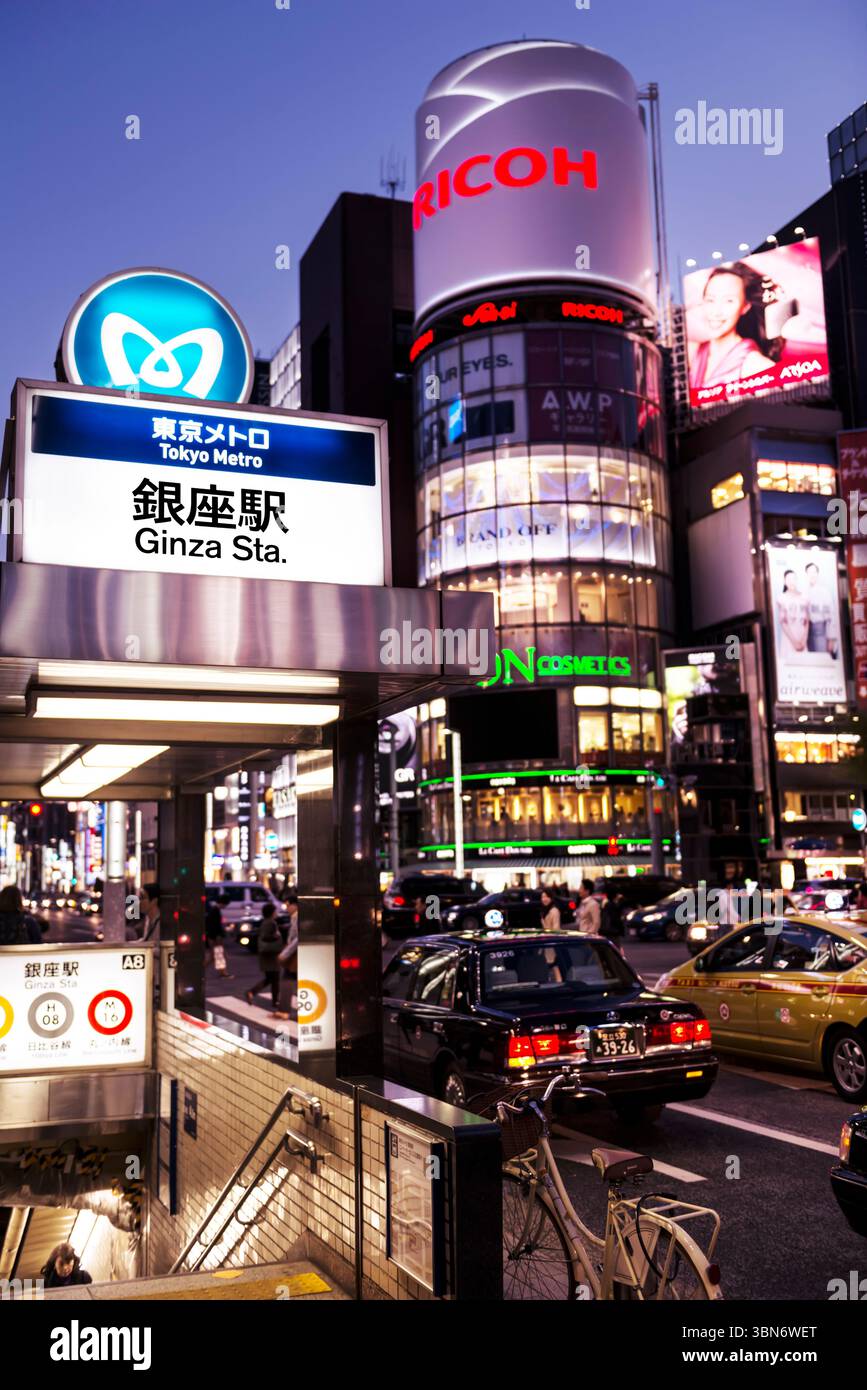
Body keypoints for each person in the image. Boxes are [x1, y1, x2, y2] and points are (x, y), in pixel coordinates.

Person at [690, 262, 780, 389]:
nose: (716, 312)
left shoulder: (755, 365)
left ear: (745, 306)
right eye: (710, 300)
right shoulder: (693, 352)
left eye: (729, 301)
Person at [246, 903, 282, 1009]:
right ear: (271, 913)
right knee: (274, 978)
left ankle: (252, 992)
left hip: (267, 954)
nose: (276, 913)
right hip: (270, 954)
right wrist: (277, 936)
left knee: (270, 978)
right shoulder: (270, 923)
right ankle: (275, 1001)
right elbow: (266, 936)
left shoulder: (266, 922)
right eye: (275, 911)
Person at [273, 895, 299, 1020]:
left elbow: (297, 939)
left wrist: (285, 954)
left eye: (288, 905)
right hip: (295, 953)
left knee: (287, 979)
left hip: (295, 954)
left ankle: (284, 1010)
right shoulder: (294, 917)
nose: (287, 908)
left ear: (295, 905)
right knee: (289, 979)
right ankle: (283, 1010)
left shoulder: (297, 917)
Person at [205, 895, 231, 978]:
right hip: (215, 937)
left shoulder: (214, 910)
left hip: (212, 936)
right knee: (218, 955)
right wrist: (218, 936)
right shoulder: (215, 911)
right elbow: (215, 926)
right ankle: (223, 972)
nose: (226, 906)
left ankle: (222, 972)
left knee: (214, 955)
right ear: (223, 903)